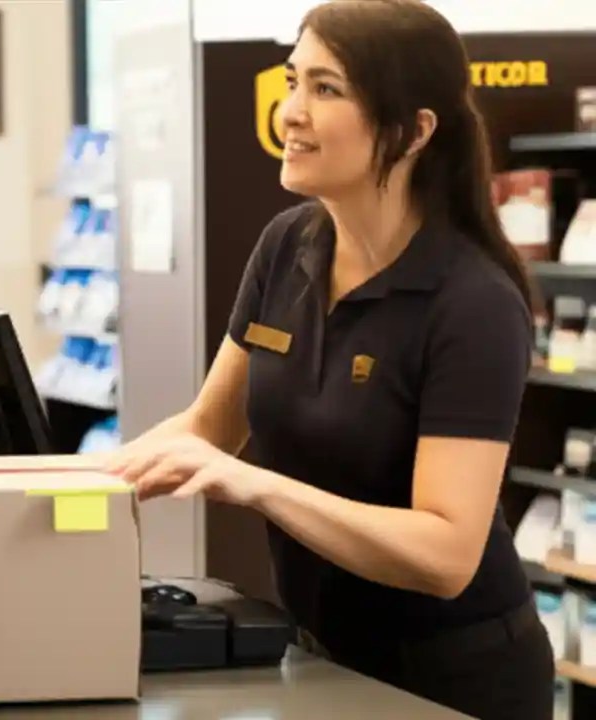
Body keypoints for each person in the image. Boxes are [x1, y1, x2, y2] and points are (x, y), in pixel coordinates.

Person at [106, 2, 553, 719]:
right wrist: (62, 481)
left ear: (412, 130)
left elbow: (446, 554)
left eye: (326, 89)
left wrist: (257, 486)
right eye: (293, 83)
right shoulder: (287, 246)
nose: (291, 112)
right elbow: (207, 431)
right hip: (323, 653)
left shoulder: (472, 303)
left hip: (457, 678)